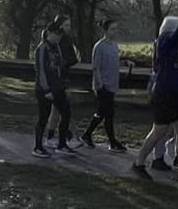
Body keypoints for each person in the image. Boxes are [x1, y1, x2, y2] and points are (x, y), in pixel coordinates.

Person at [130, 15, 178, 184]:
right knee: (159, 131)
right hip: (165, 93)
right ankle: (138, 163)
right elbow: (175, 38)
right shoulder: (165, 41)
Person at [31, 19, 74, 156]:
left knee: (66, 113)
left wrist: (64, 86)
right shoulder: (42, 48)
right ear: (49, 33)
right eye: (56, 34)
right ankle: (38, 147)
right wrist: (46, 90)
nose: (58, 38)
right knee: (43, 118)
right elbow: (41, 71)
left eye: (60, 35)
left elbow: (60, 68)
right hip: (45, 89)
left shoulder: (57, 48)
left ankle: (62, 144)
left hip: (58, 88)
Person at [82, 20, 125, 151]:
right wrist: (100, 85)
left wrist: (125, 62)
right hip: (103, 85)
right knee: (106, 113)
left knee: (104, 113)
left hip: (112, 84)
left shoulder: (114, 45)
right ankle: (109, 141)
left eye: (116, 29)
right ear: (105, 31)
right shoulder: (99, 46)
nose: (115, 31)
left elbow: (114, 62)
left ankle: (90, 135)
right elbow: (96, 67)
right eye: (112, 29)